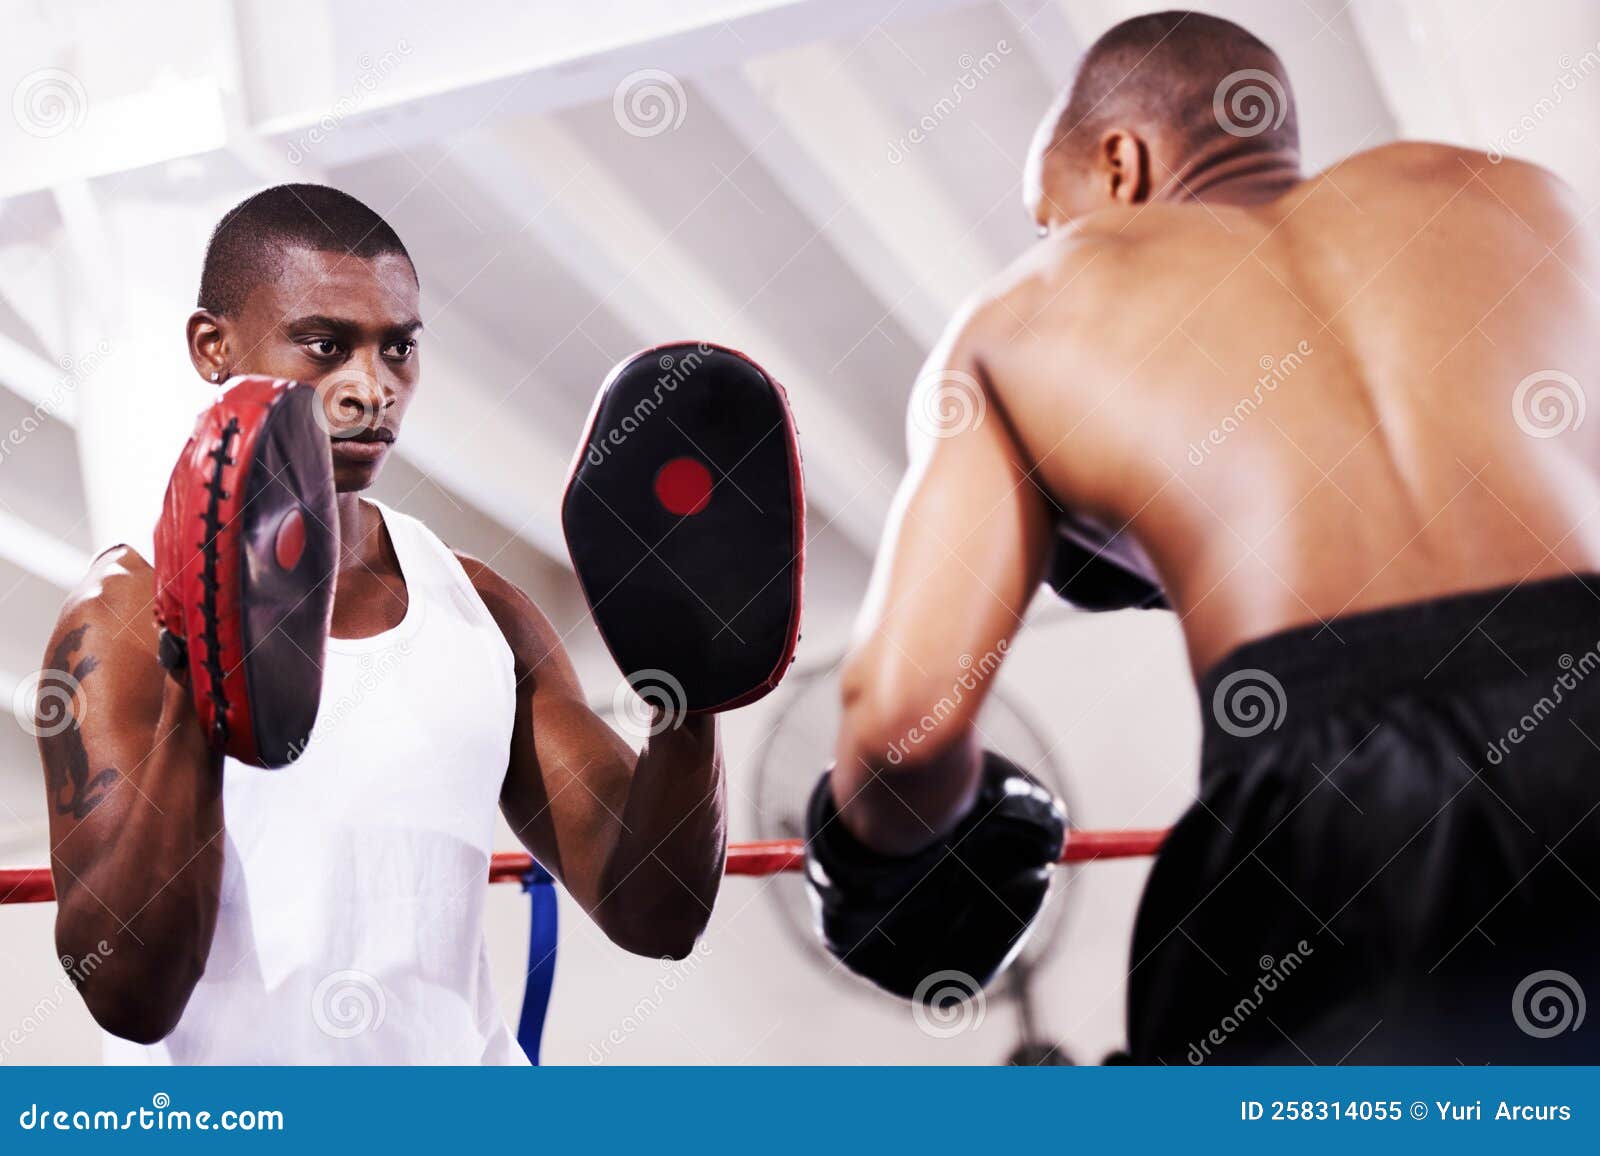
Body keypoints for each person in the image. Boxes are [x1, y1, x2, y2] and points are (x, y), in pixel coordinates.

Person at [804, 10, 1600, 1063]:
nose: (1056, 244)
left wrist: (880, 863)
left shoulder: (1026, 314)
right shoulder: (1518, 197)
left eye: (1056, 218)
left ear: (1121, 162)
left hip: (1334, 811)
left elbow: (898, 722)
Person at [37, 185, 739, 1063]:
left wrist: (691, 693)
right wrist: (200, 655)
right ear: (212, 347)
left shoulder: (480, 609)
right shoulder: (119, 616)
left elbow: (655, 915)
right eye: (325, 345)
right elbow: (128, 995)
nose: (370, 389)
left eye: (398, 348)